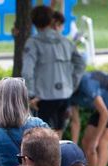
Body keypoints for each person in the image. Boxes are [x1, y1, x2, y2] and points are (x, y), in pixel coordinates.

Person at [22, 4, 85, 132]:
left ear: (33, 22)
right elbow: (80, 63)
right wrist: (71, 84)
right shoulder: (66, 42)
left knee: (42, 137)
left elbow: (27, 71)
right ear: (51, 21)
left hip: (43, 97)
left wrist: (31, 94)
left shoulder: (33, 43)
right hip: (65, 94)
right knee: (58, 135)